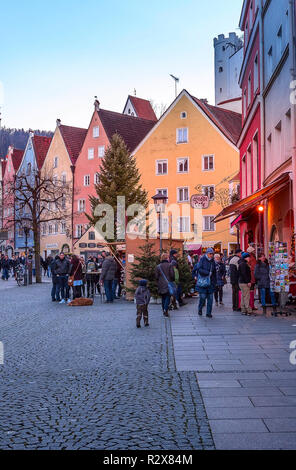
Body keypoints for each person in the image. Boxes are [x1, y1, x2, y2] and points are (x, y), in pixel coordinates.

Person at [196, 248, 217, 318]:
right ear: (207, 254)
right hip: (203, 282)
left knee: (210, 298)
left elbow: (214, 272)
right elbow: (199, 269)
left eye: (212, 254)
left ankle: (208, 313)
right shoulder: (202, 259)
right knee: (203, 297)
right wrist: (207, 273)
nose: (211, 255)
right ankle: (200, 308)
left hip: (210, 283)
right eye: (210, 254)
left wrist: (215, 282)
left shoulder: (212, 261)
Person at [155, 253, 175, 317]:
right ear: (167, 258)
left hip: (161, 284)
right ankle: (165, 310)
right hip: (168, 283)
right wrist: (172, 280)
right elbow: (172, 275)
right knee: (167, 297)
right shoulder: (170, 265)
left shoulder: (158, 266)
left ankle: (164, 309)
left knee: (163, 297)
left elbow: (156, 276)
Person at [247, 245, 257, 310]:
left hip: (252, 274)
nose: (255, 251)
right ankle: (251, 305)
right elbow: (252, 266)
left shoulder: (251, 257)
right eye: (253, 250)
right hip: (251, 275)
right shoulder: (251, 257)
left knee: (251, 290)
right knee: (251, 290)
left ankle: (251, 304)